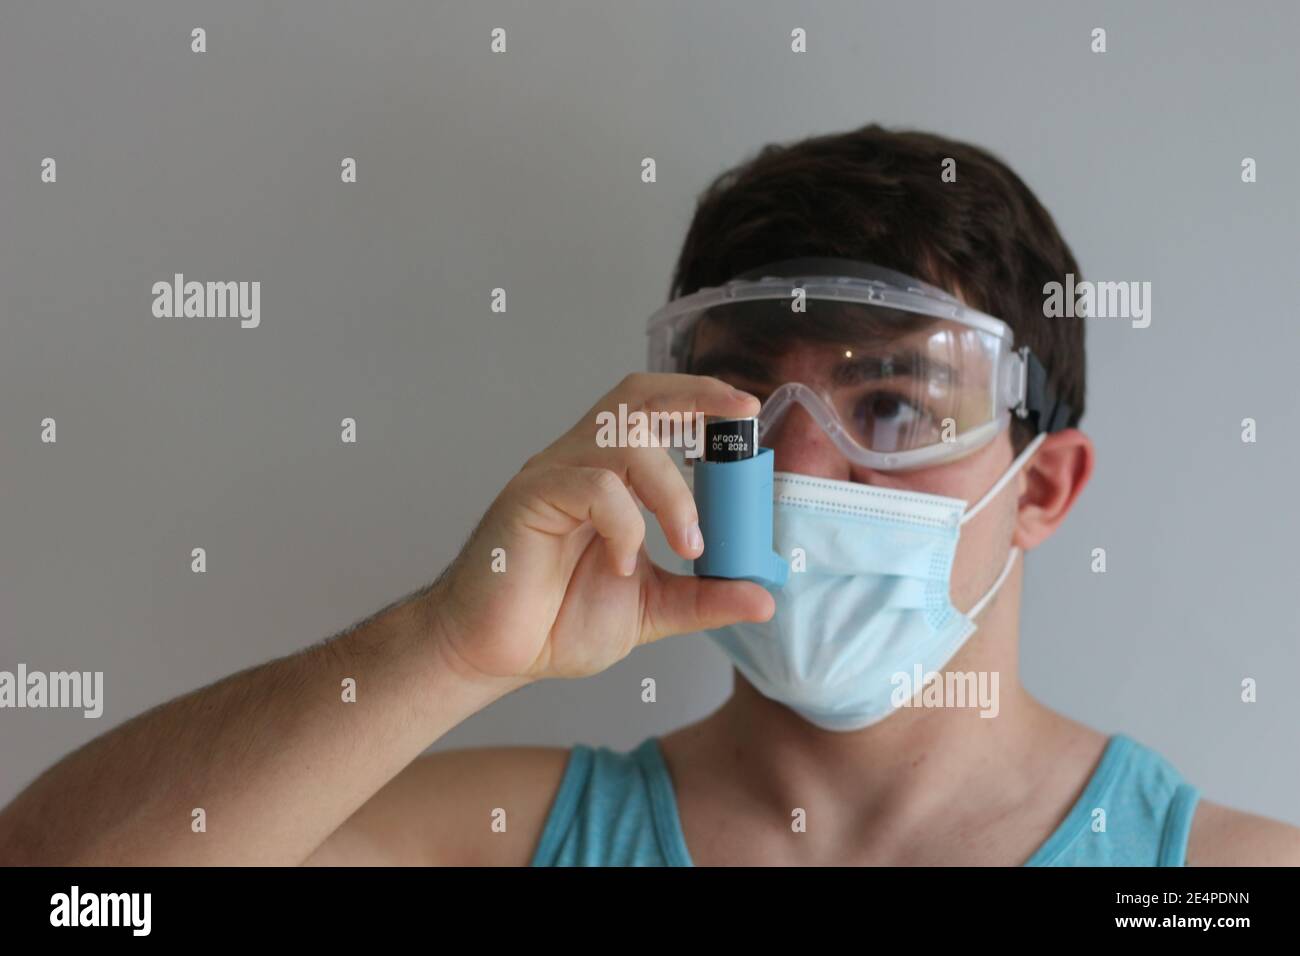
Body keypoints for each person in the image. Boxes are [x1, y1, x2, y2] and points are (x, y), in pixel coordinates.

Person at [2, 124, 1296, 867]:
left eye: (894, 403)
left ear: (1045, 486)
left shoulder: (1212, 876)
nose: (794, 467)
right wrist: (448, 648)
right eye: (741, 401)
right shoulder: (520, 837)